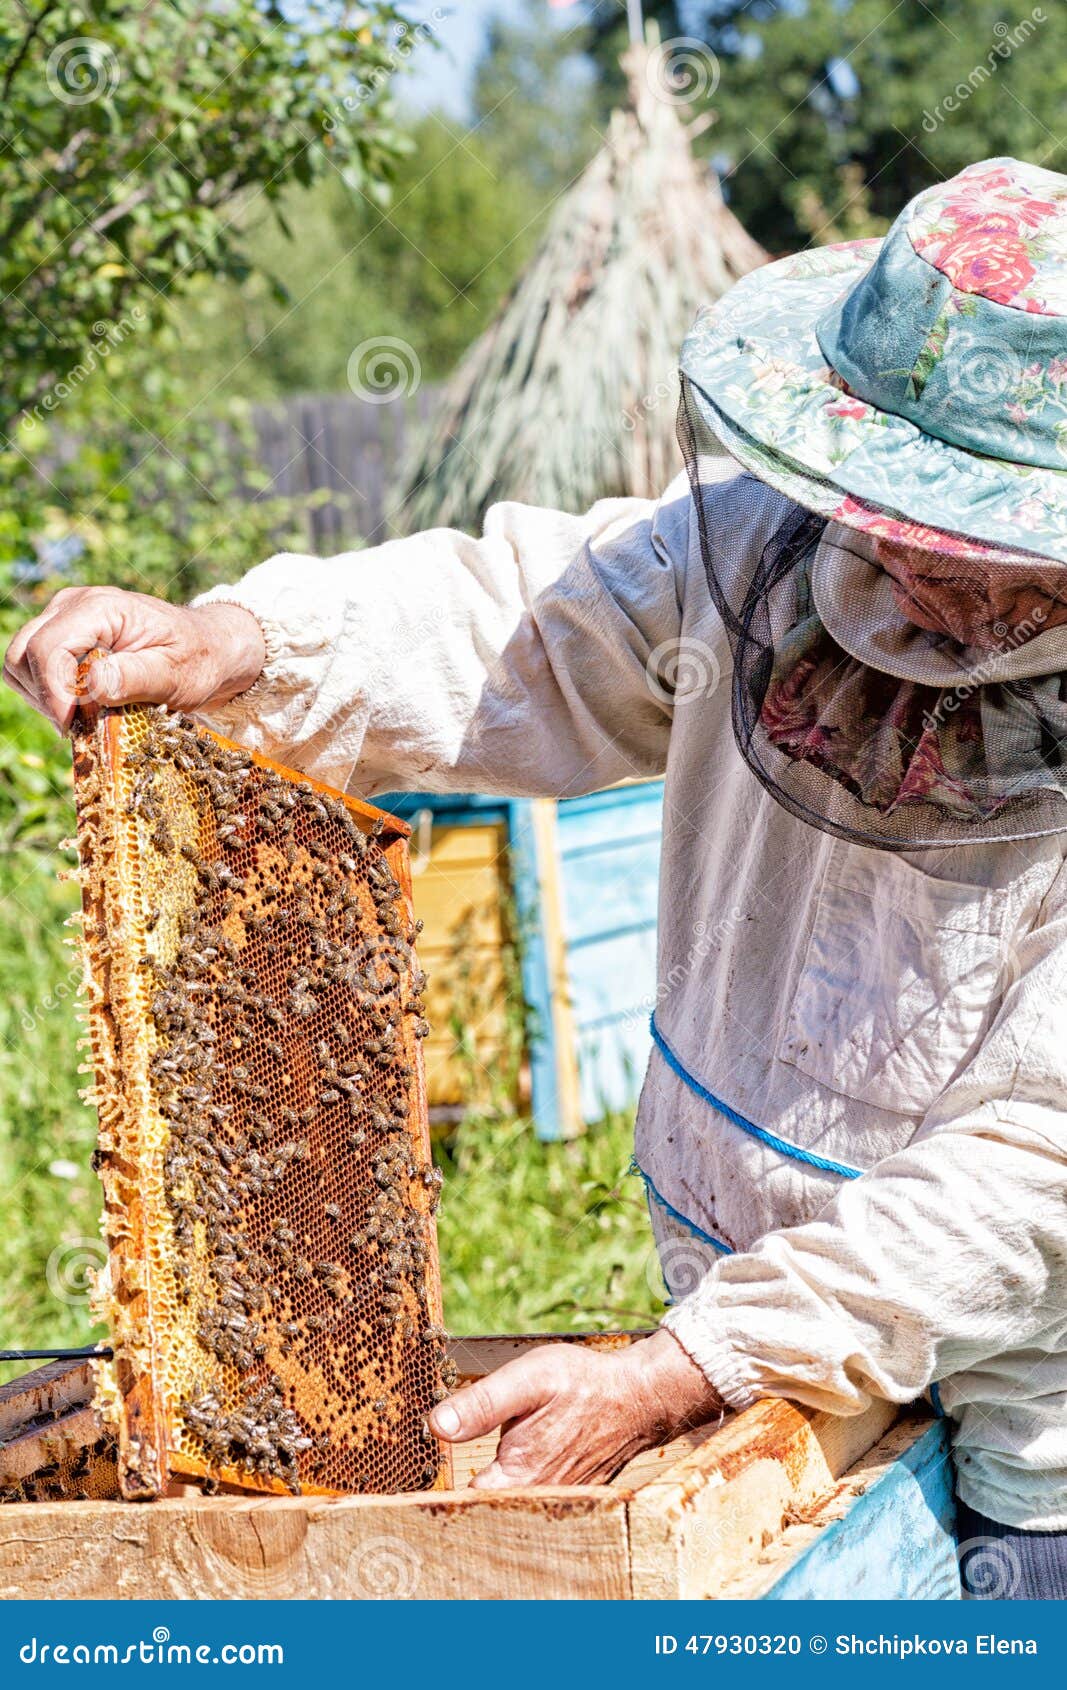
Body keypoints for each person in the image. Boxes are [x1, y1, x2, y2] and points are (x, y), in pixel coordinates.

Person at [7, 157, 1067, 1600]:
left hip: (1022, 1427)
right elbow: (519, 617)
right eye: (895, 510)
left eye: (975, 543)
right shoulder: (758, 549)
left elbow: (1026, 1179)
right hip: (757, 1350)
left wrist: (682, 1365)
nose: (922, 574)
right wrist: (243, 643)